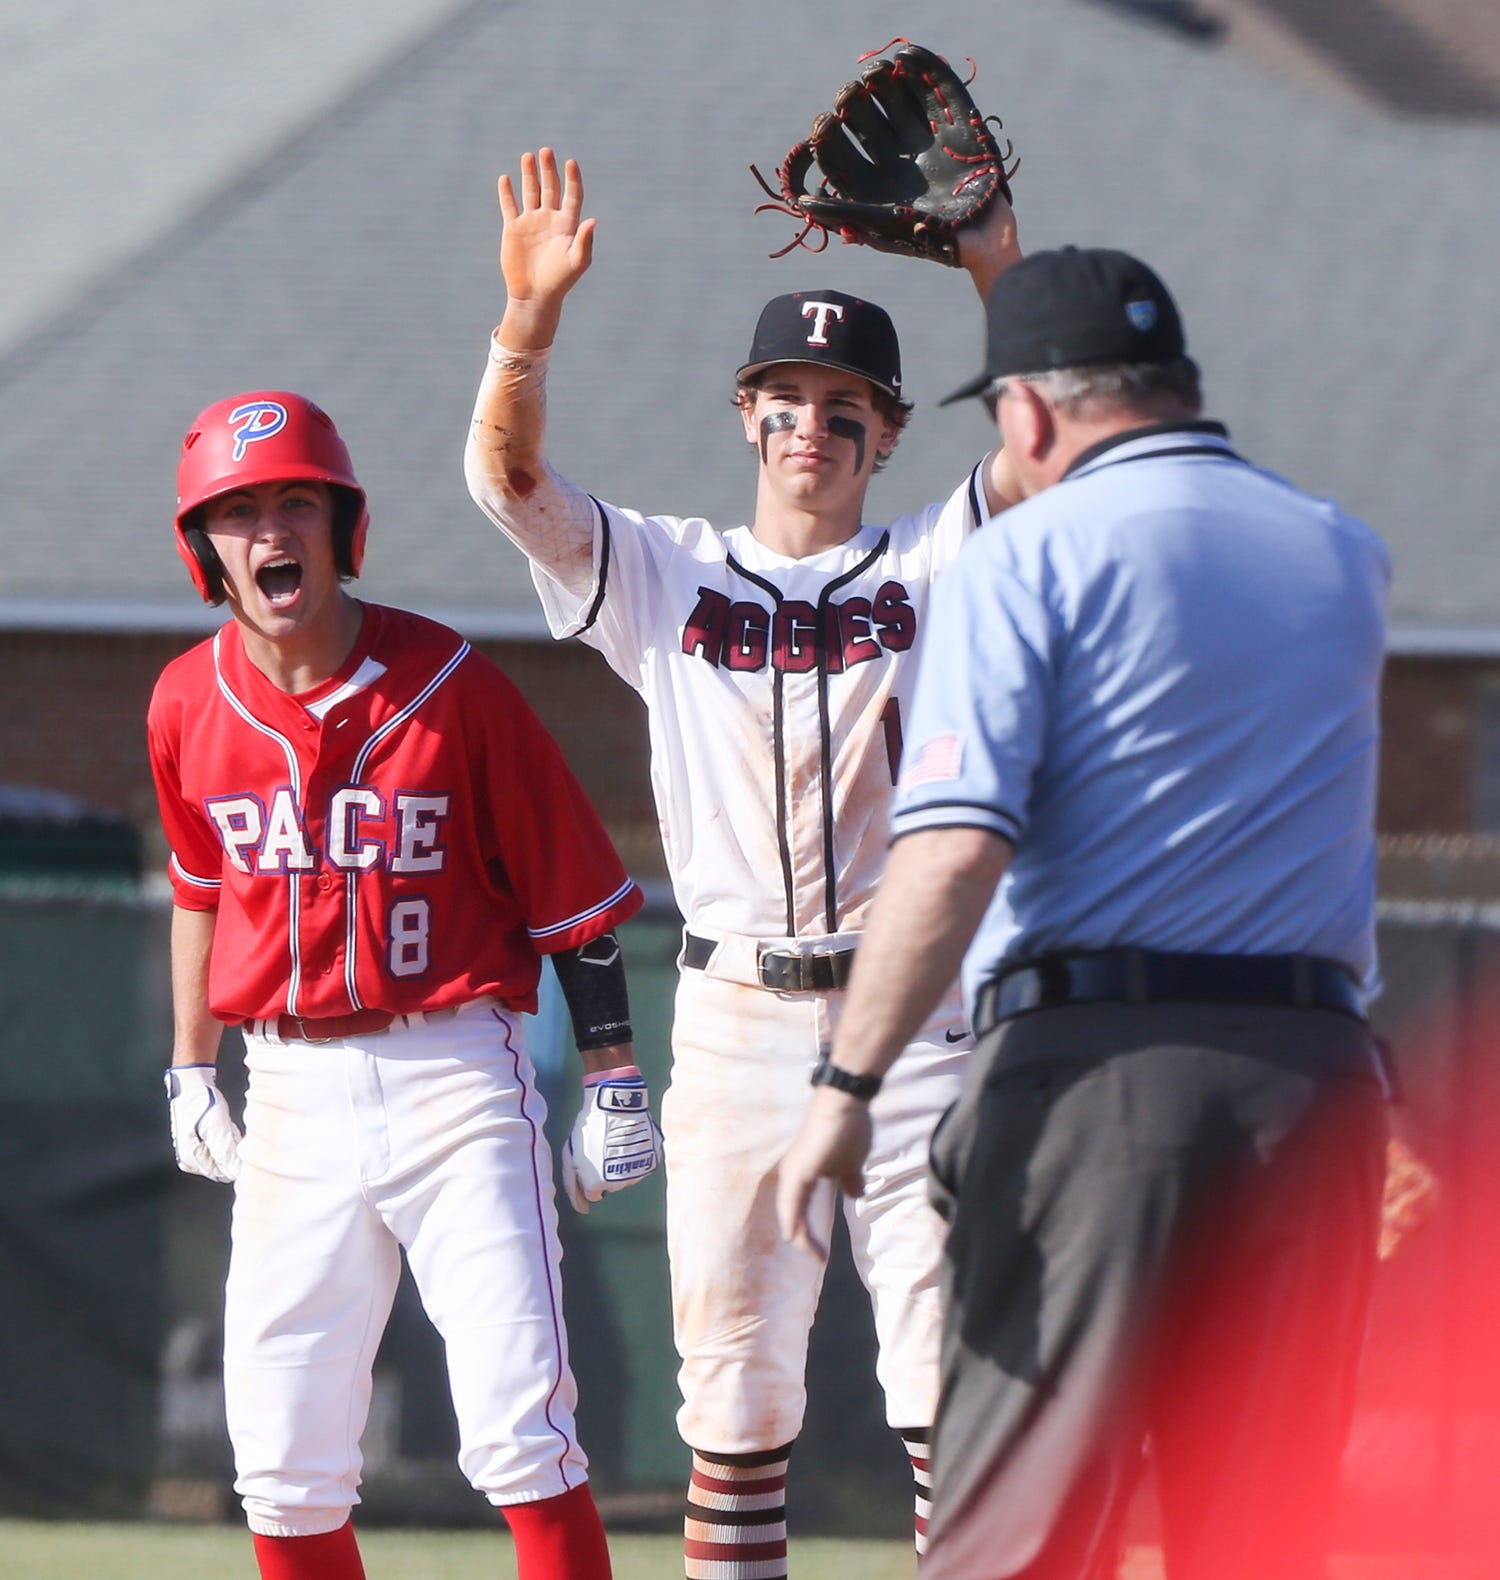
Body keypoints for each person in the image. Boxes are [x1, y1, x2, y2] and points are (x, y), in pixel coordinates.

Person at [776, 246, 1391, 1580]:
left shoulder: (1029, 557)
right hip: (1323, 1085)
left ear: (1035, 413)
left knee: (1022, 1543)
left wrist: (845, 1086)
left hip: (1104, 1080)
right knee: (1264, 1537)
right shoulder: (1342, 554)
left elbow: (948, 857)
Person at [462, 148, 1025, 1579]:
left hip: (916, 1017)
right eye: (790, 400)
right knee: (735, 1409)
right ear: (747, 414)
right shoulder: (667, 573)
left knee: (951, 1397)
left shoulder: (939, 558)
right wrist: (526, 327)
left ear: (888, 436)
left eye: (848, 409)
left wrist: (994, 265)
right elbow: (506, 477)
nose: (813, 426)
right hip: (731, 1014)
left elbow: (1057, 448)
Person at [149, 390, 660, 1580]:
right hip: (285, 1089)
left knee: (520, 1428)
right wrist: (187, 1065)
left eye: (295, 503)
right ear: (204, 547)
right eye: (238, 512)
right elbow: (198, 889)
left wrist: (617, 1071)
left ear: (341, 527)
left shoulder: (453, 683)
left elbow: (572, 894)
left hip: (454, 1076)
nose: (270, 530)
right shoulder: (185, 698)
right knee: (279, 1457)